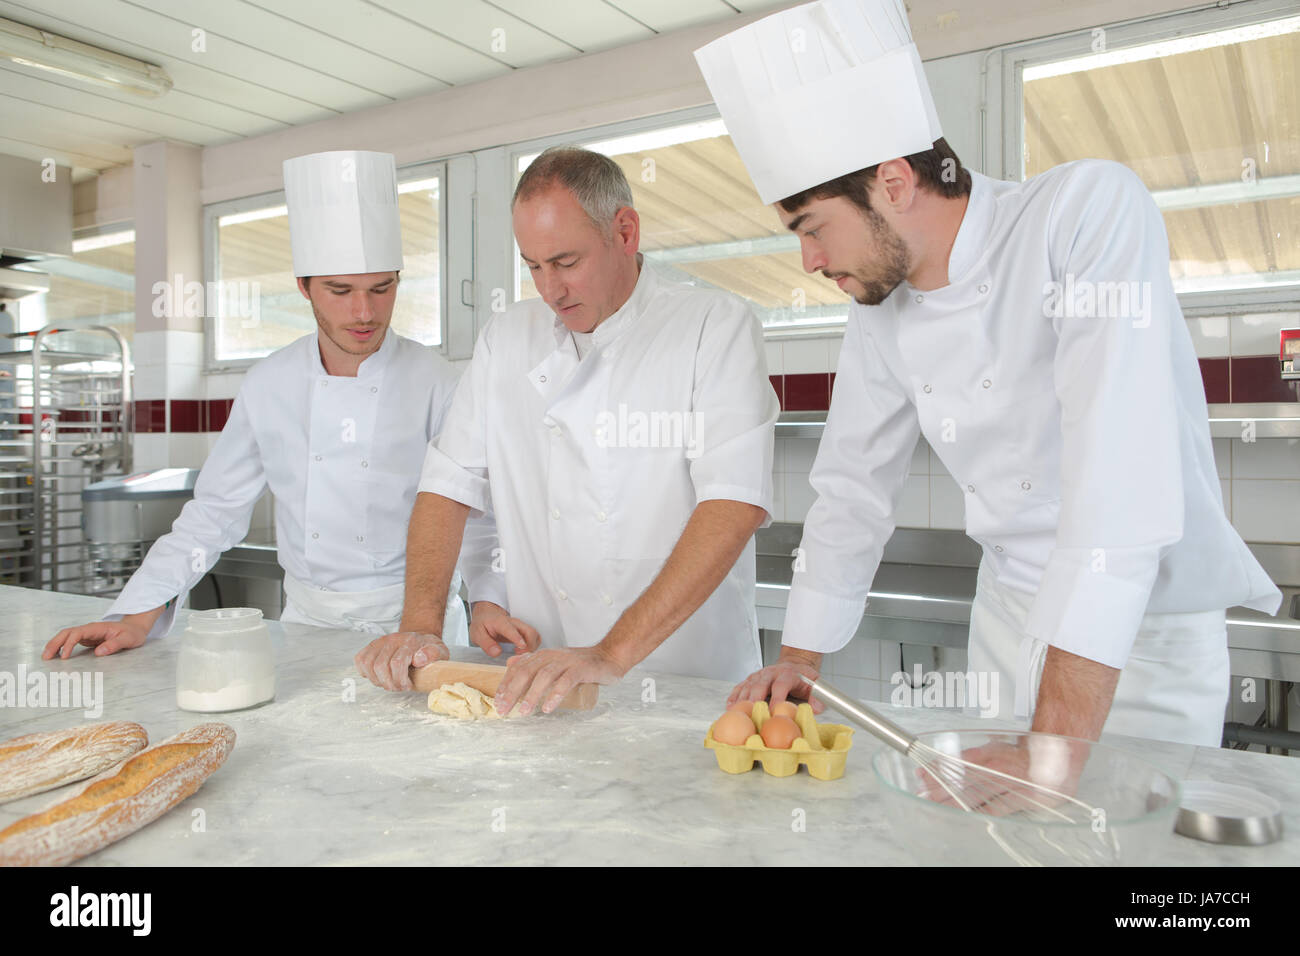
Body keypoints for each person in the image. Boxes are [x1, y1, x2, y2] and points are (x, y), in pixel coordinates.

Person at [696, 0, 1281, 746]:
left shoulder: (1083, 211)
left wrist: (1055, 745)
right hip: (1005, 622)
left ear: (895, 182)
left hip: (1141, 637)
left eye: (811, 228)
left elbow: (1119, 483)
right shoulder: (881, 307)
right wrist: (800, 659)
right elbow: (851, 487)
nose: (808, 261)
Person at [353, 147, 779, 715]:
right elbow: (447, 485)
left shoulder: (713, 326)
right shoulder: (506, 338)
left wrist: (609, 652)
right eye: (533, 266)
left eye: (566, 261)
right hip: (547, 683)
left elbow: (733, 504)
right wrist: (421, 625)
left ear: (624, 232)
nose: (550, 290)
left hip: (687, 681)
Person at [45, 150, 471, 660]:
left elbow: (473, 512)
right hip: (308, 625)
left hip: (420, 627)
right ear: (304, 287)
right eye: (341, 291)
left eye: (382, 289)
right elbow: (215, 511)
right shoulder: (270, 383)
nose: (365, 311)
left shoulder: (437, 382)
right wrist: (136, 615)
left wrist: (484, 603)